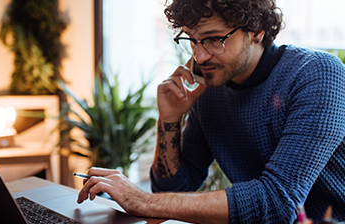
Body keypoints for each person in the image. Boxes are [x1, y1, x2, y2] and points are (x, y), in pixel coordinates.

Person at [77, 0, 345, 223]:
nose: (200, 56)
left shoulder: (317, 75)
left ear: (257, 31)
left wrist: (142, 200)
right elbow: (172, 190)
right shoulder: (210, 89)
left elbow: (278, 201)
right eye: (192, 41)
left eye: (214, 40)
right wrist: (170, 118)